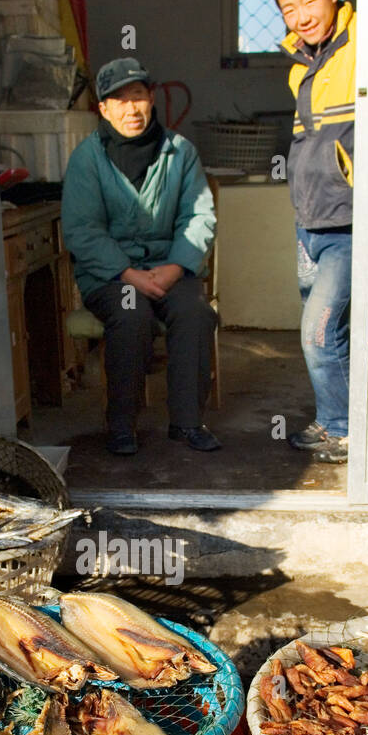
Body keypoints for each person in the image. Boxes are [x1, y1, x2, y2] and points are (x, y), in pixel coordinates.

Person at [61, 58, 220, 456]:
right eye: (118, 100)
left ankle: (187, 422)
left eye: (137, 97)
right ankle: (122, 424)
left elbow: (199, 215)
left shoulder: (180, 153)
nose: (130, 109)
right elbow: (83, 230)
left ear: (152, 98)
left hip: (170, 268)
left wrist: (174, 269)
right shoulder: (87, 159)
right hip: (111, 276)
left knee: (195, 313)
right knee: (132, 315)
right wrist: (128, 273)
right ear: (103, 109)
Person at [276, 0, 358, 464]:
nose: (301, 17)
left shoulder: (358, 43)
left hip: (349, 226)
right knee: (328, 328)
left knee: (318, 332)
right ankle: (341, 419)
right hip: (310, 224)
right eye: (289, 9)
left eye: (309, 1)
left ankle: (342, 428)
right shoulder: (301, 66)